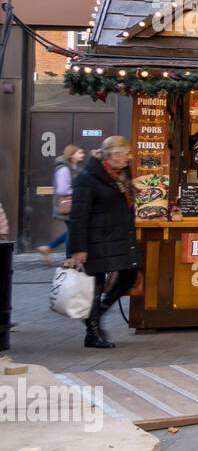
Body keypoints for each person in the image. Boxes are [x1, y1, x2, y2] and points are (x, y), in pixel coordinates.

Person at [68, 136, 140, 349]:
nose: (130, 158)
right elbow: (78, 216)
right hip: (96, 239)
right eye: (126, 154)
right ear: (114, 155)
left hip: (119, 236)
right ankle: (93, 333)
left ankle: (97, 313)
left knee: (130, 275)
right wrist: (79, 248)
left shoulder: (122, 174)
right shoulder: (87, 178)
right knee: (95, 285)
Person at [37, 145, 85, 264]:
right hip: (67, 205)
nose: (82, 155)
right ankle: (68, 258)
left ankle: (48, 248)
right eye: (79, 152)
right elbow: (62, 189)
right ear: (72, 155)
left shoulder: (73, 167)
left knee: (72, 230)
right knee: (72, 231)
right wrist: (78, 191)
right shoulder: (64, 168)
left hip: (71, 204)